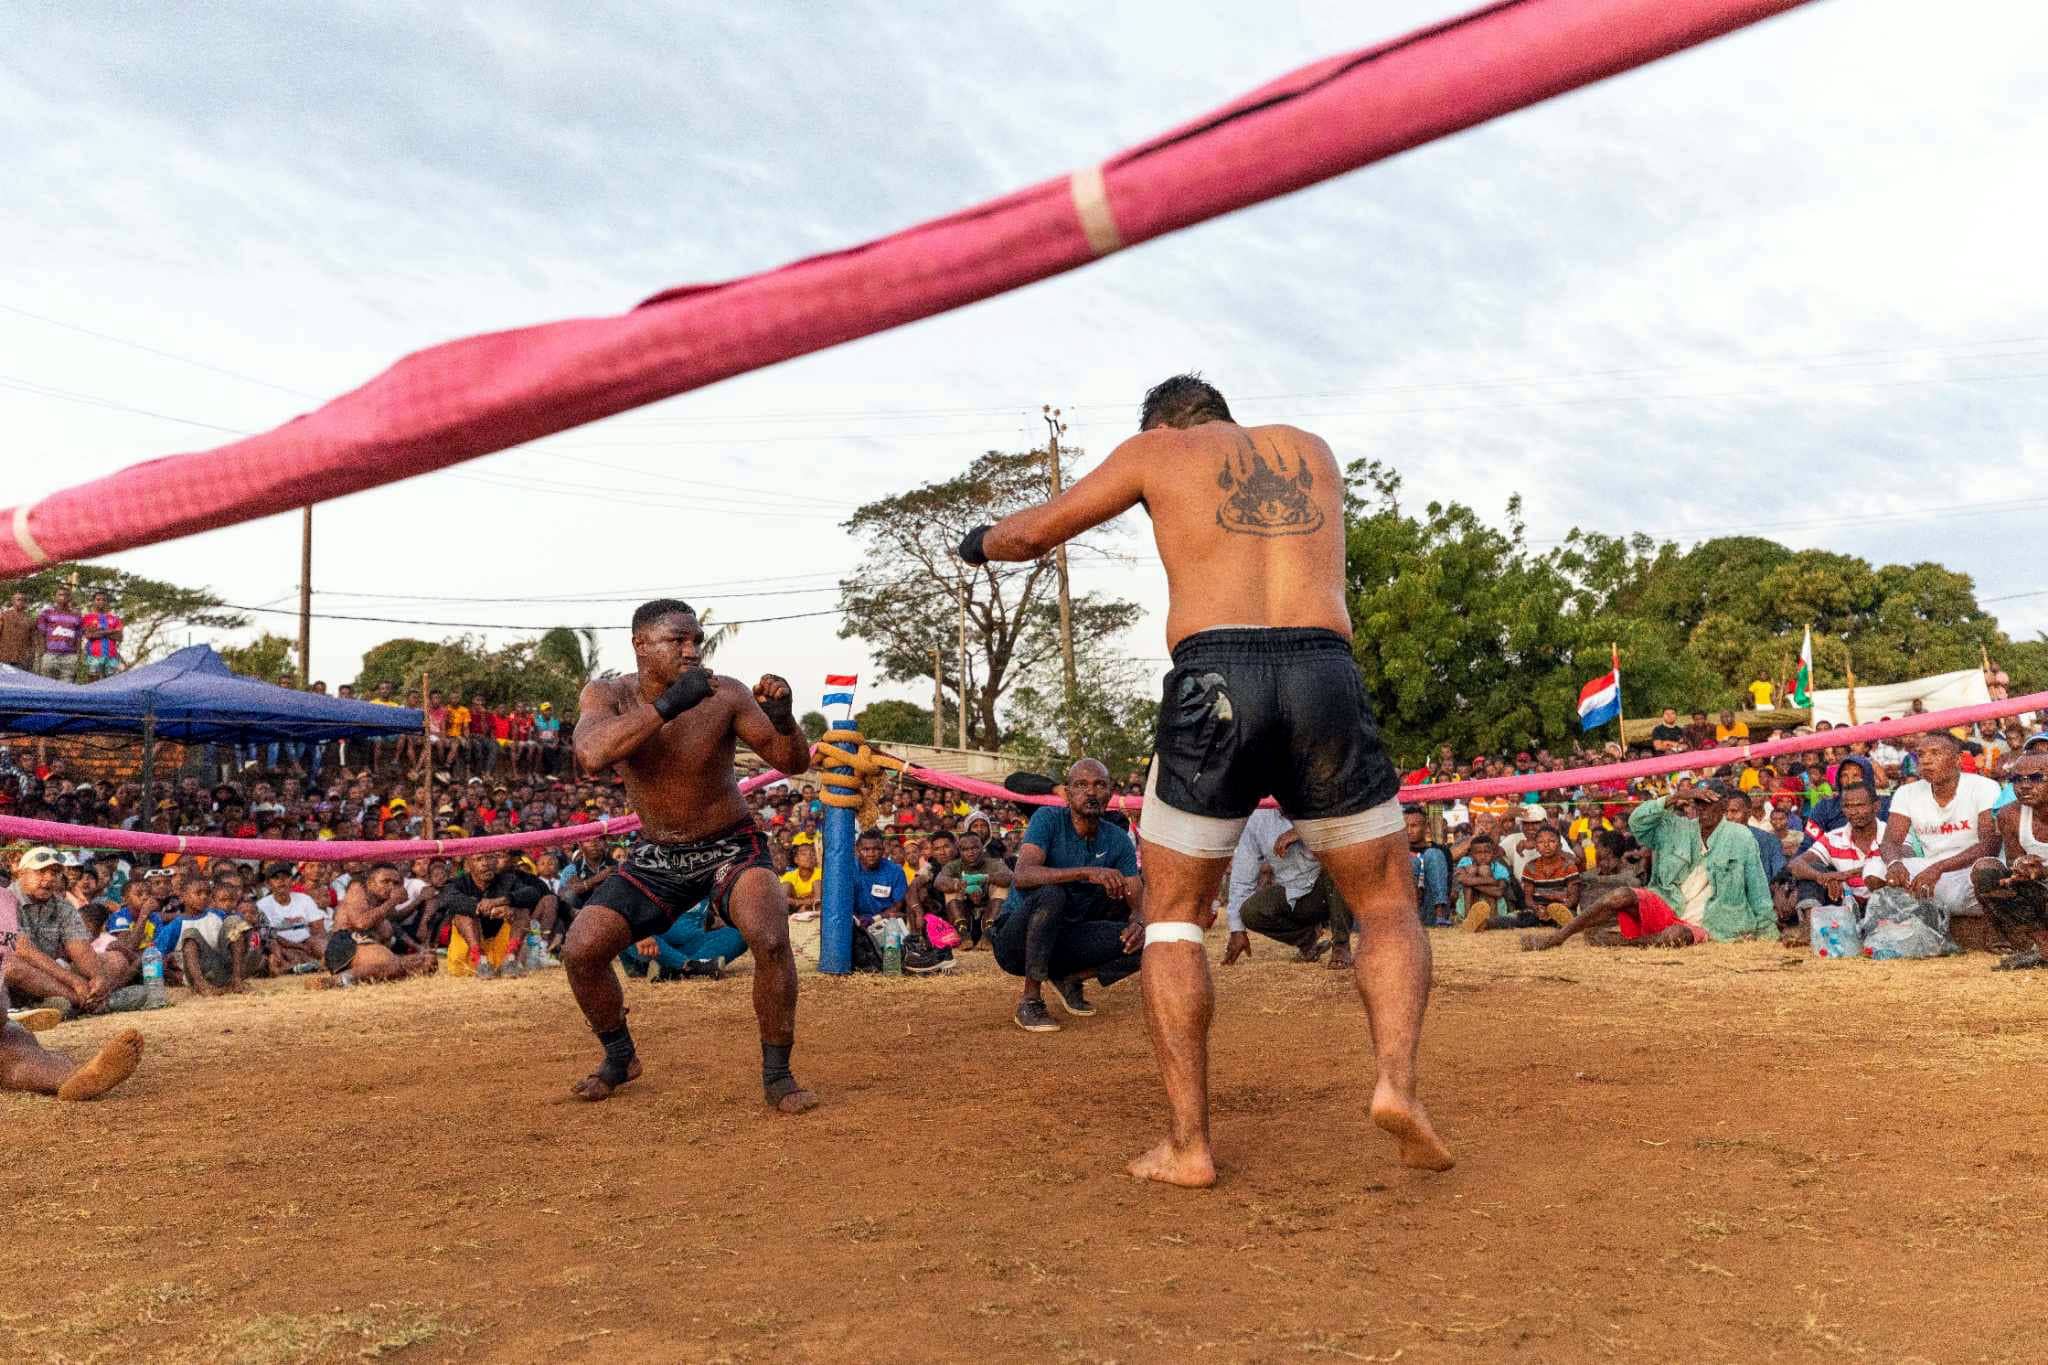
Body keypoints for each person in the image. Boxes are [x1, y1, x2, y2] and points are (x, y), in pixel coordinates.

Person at [961, 374, 1450, 1183]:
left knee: (1175, 917)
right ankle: (1398, 1084)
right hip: (1324, 667)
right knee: (1388, 901)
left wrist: (975, 540)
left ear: (1166, 423)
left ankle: (1190, 1144)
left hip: (1215, 672)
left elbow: (1030, 535)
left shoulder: (1158, 448)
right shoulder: (1313, 450)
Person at [565, 598, 814, 1109]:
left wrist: (786, 721)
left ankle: (778, 1074)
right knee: (581, 949)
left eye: (696, 640)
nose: (692, 650)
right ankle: (620, 1057)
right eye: (678, 640)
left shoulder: (725, 695)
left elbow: (793, 762)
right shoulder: (607, 694)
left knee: (769, 937)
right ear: (640, 644)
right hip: (658, 852)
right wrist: (669, 704)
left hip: (730, 844)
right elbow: (591, 754)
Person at [992, 759, 1144, 1034]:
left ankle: (1070, 978)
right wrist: (1086, 873)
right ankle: (1030, 1000)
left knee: (1151, 937)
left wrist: (1141, 921)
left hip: (1064, 940)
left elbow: (1136, 897)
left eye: (1099, 785)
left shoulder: (1117, 839)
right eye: (1081, 785)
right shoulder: (1048, 819)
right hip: (1016, 941)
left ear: (1110, 793)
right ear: (1068, 792)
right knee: (1052, 894)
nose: (1091, 792)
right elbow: (1023, 875)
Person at [0, 879, 145, 1101]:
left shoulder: (6, 900)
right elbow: (20, 954)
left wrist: (88, 981)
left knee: (17, 1040)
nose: (47, 879)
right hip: (18, 992)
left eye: (53, 872)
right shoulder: (10, 898)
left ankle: (77, 1076)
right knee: (10, 1048)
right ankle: (72, 1074)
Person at [1880, 732, 2001, 941]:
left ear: (1958, 759)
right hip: (1930, 874)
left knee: (1987, 871)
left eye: (1935, 753)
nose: (1925, 760)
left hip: (1968, 873)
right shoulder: (1906, 792)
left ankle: (1936, 919)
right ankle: (1935, 920)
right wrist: (1894, 863)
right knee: (1875, 867)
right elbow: (1890, 841)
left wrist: (1939, 868)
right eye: (1921, 755)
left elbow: (1989, 845)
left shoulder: (1984, 787)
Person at [1221, 806, 1353, 968]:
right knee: (1250, 911)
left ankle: (1341, 945)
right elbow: (1242, 878)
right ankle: (1308, 940)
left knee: (1339, 867)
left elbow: (1348, 832)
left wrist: (1302, 832)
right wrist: (1237, 929)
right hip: (1294, 892)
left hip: (1332, 892)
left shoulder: (1322, 802)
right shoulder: (1257, 820)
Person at [1971, 750, 2048, 970]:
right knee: (1986, 871)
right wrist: (2020, 868)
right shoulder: (2009, 815)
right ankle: (2040, 945)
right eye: (2016, 779)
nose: (2024, 785)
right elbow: (2014, 861)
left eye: (2035, 778)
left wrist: (2043, 871)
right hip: (2041, 892)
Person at [321, 863, 439, 985]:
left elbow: (394, 921)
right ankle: (339, 980)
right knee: (389, 965)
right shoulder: (358, 889)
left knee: (428, 962)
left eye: (396, 883)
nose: (391, 886)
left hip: (373, 948)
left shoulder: (383, 900)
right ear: (370, 883)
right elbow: (361, 922)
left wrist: (419, 948)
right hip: (346, 944)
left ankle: (388, 968)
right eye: (385, 881)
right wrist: (392, 902)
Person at [438, 852, 539, 980]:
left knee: (521, 911)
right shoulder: (458, 882)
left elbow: (532, 893)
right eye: (478, 859)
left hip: (501, 956)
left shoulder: (508, 879)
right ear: (468, 864)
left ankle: (511, 960)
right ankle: (480, 960)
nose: (485, 863)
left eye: (489, 857)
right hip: (469, 959)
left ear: (496, 861)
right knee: (462, 915)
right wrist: (483, 908)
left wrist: (503, 902)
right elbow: (447, 899)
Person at [937, 828, 1011, 949]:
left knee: (1001, 886)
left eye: (975, 848)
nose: (970, 853)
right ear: (959, 851)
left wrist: (985, 878)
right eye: (965, 849)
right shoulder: (953, 865)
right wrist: (959, 885)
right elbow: (938, 881)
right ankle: (962, 934)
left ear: (982, 848)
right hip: (964, 914)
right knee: (950, 887)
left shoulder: (994, 863)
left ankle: (989, 934)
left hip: (989, 912)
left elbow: (1010, 877)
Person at [255, 861, 328, 974]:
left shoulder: (305, 899)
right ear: (268, 884)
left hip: (306, 942)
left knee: (321, 944)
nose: (281, 881)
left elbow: (319, 929)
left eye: (286, 877)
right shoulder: (261, 905)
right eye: (276, 878)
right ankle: (298, 968)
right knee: (275, 957)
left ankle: (318, 965)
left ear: (292, 881)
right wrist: (298, 947)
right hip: (279, 945)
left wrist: (316, 945)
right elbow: (268, 937)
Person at [1405, 808, 1452, 928]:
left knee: (1433, 854)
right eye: (1405, 826)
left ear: (1426, 827)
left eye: (1414, 826)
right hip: (1406, 912)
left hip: (1431, 908)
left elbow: (1448, 885)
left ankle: (1440, 916)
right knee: (1411, 861)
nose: (1409, 830)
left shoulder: (1442, 851)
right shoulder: (1397, 852)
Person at [34, 586, 82, 681]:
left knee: (67, 688)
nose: (63, 597)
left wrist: (78, 655)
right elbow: (40, 634)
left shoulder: (76, 616)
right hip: (50, 655)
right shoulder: (46, 613)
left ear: (70, 598)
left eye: (66, 595)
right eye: (60, 595)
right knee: (47, 686)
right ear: (54, 597)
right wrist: (43, 653)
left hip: (69, 657)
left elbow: (79, 637)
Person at [78, 589, 124, 678]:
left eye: (104, 600)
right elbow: (89, 635)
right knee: (93, 682)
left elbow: (119, 637)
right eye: (98, 599)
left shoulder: (114, 618)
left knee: (111, 683)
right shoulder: (87, 617)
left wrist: (99, 632)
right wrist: (111, 631)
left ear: (107, 602)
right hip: (93, 655)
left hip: (111, 656)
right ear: (93, 601)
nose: (101, 602)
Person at [0, 589, 36, 671]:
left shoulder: (29, 619)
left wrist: (31, 656)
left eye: (24, 600)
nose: (21, 602)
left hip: (21, 659)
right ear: (12, 601)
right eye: (19, 599)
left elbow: (32, 640)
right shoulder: (4, 616)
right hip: (4, 657)